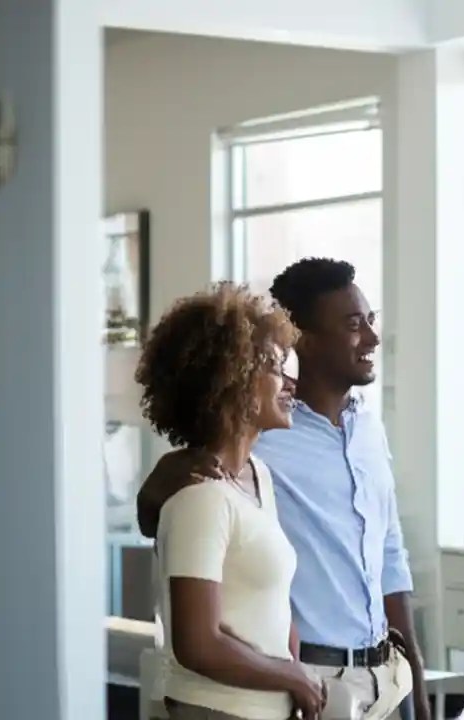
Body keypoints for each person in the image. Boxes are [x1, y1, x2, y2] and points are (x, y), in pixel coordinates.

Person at [137, 258, 430, 720]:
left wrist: (414, 665)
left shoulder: (367, 429)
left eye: (371, 321)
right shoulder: (253, 440)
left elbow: (390, 552)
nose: (372, 338)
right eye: (354, 325)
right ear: (304, 342)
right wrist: (162, 483)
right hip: (302, 684)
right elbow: (167, 514)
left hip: (383, 680)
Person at [136, 283, 325, 719]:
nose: (293, 381)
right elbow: (197, 645)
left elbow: (272, 605)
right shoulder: (198, 494)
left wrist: (292, 672)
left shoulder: (258, 476)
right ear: (234, 377)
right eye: (277, 367)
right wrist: (293, 677)